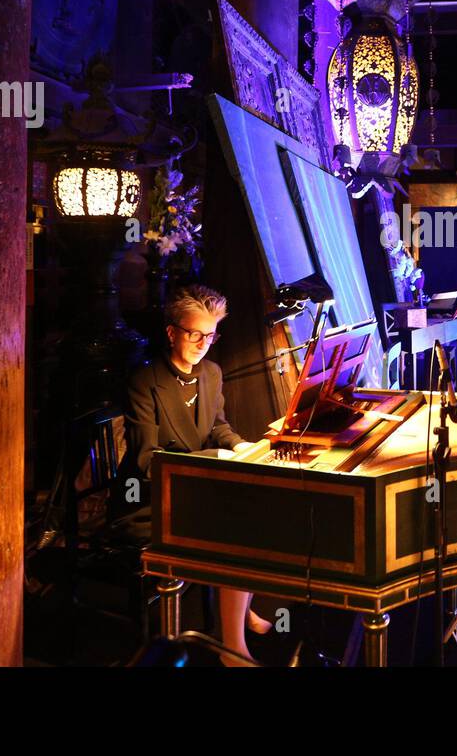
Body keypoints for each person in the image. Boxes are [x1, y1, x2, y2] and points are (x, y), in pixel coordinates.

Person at [119, 284, 271, 663]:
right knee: (235, 526)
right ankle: (232, 646)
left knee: (257, 507)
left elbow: (217, 426)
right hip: (151, 499)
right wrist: (211, 457)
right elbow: (144, 460)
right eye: (194, 334)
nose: (204, 343)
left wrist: (239, 447)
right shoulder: (145, 381)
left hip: (198, 486)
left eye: (211, 334)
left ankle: (236, 604)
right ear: (171, 332)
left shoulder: (212, 373)